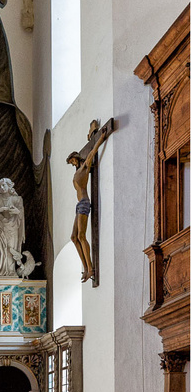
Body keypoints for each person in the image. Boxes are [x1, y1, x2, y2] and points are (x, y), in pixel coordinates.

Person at [67, 119, 113, 282]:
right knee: (73, 238)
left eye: (72, 160)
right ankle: (85, 267)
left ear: (77, 158)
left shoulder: (85, 166)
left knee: (81, 235)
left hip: (85, 203)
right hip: (79, 205)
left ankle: (90, 268)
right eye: (71, 162)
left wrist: (100, 138)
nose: (72, 163)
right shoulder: (78, 171)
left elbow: (92, 151)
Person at [0, 178, 25, 277]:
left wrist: (16, 211)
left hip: (12, 229)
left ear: (9, 186)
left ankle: (11, 271)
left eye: (4, 185)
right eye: (0, 186)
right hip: (0, 229)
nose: (2, 188)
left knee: (11, 250)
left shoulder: (17, 199)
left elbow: (21, 214)